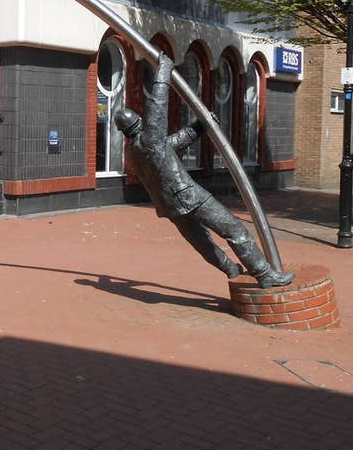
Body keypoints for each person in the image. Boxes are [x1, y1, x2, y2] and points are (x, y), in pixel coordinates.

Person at [113, 53, 294, 289]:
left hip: (169, 207)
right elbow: (157, 104)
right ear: (138, 121)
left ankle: (230, 269)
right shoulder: (149, 140)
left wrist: (199, 127)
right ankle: (264, 273)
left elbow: (170, 146)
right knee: (234, 229)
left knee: (202, 243)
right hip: (188, 195)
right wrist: (164, 69)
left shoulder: (134, 152)